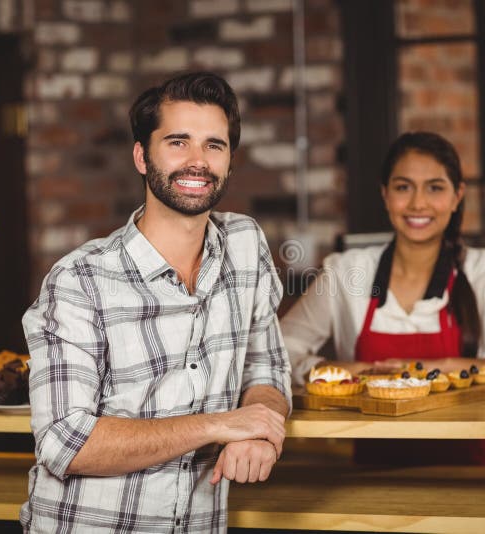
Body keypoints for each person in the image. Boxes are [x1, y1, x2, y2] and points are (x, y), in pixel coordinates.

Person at [20, 72, 291, 533]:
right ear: (142, 156)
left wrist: (263, 431)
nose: (198, 162)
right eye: (178, 142)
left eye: (214, 145)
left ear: (230, 161)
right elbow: (65, 443)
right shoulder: (79, 280)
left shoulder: (246, 245)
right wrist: (219, 426)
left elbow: (265, 370)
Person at [281, 131, 485, 465]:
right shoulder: (347, 273)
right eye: (403, 187)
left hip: (471, 477)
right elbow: (275, 354)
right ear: (385, 195)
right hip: (368, 482)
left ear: (457, 196)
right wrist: (340, 372)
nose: (418, 203)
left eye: (435, 187)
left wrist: (452, 367)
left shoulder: (484, 272)